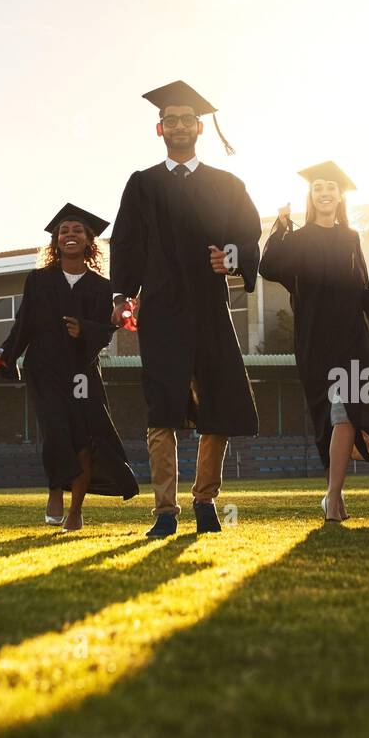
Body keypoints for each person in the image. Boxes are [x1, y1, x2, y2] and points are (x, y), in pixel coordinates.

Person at [110, 80, 261, 538]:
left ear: (199, 126)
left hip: (210, 309)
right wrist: (121, 296)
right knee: (163, 405)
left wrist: (230, 258)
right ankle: (164, 511)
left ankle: (205, 500)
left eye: (185, 120)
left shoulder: (227, 184)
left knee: (217, 400)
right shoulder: (143, 184)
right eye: (169, 120)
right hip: (161, 308)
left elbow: (249, 237)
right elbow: (126, 243)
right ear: (160, 129)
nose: (178, 126)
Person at [260, 162, 369, 521]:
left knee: (345, 411)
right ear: (311, 197)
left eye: (331, 187)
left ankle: (332, 497)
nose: (325, 193)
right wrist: (281, 227)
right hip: (315, 338)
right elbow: (269, 267)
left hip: (351, 339)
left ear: (339, 195)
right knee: (330, 418)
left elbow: (356, 286)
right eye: (318, 188)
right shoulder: (297, 240)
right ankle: (336, 495)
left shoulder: (351, 238)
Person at [0, 204, 139, 531]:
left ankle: (75, 510)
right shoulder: (38, 280)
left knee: (84, 440)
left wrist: (84, 329)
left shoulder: (103, 287)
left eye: (77, 231)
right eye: (64, 231)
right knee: (56, 430)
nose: (69, 235)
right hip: (44, 367)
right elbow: (24, 323)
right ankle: (54, 490)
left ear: (89, 240)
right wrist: (6, 350)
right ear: (56, 241)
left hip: (81, 371)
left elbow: (108, 329)